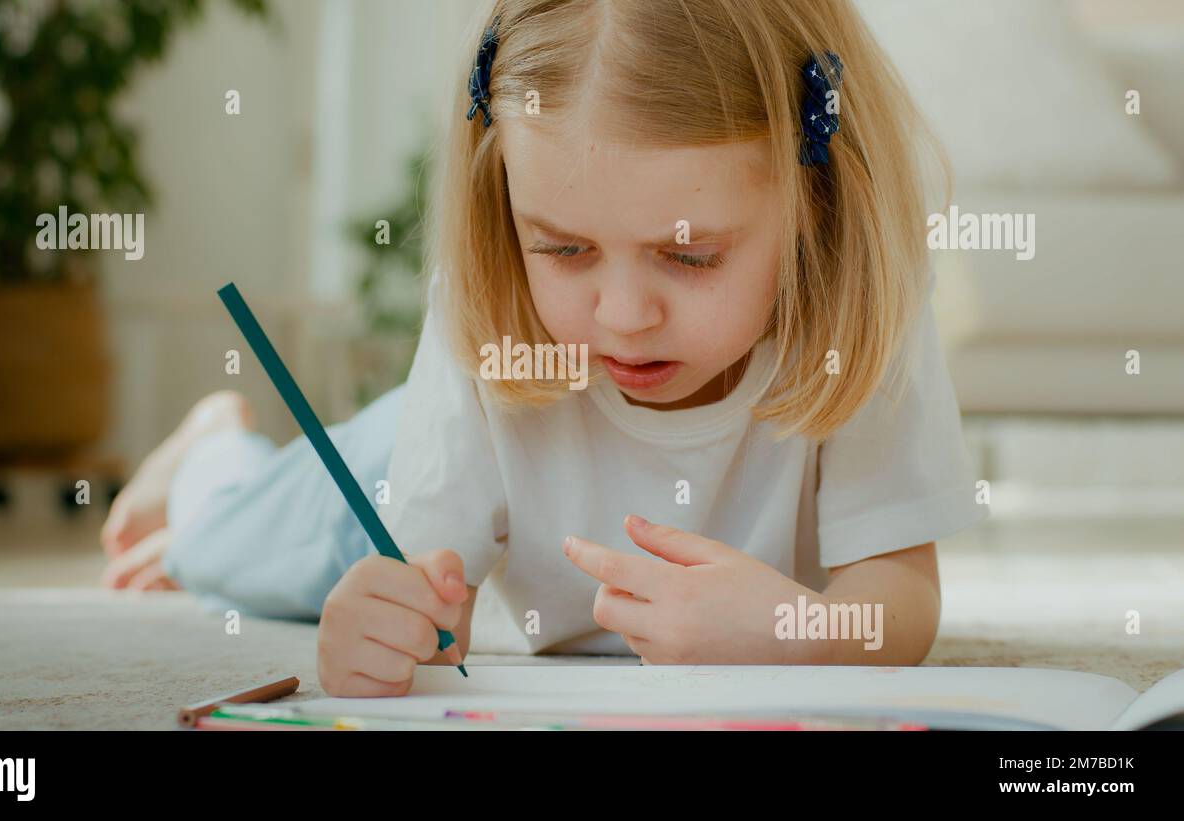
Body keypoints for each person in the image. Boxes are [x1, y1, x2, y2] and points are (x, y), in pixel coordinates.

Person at [101, 0, 986, 697]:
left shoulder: (862, 312)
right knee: (224, 546)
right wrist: (397, 618)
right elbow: (420, 592)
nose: (624, 316)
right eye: (563, 249)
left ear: (814, 206)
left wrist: (801, 636)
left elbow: (901, 597)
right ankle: (209, 452)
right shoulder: (485, 318)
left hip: (483, 450)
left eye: (689, 256)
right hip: (411, 447)